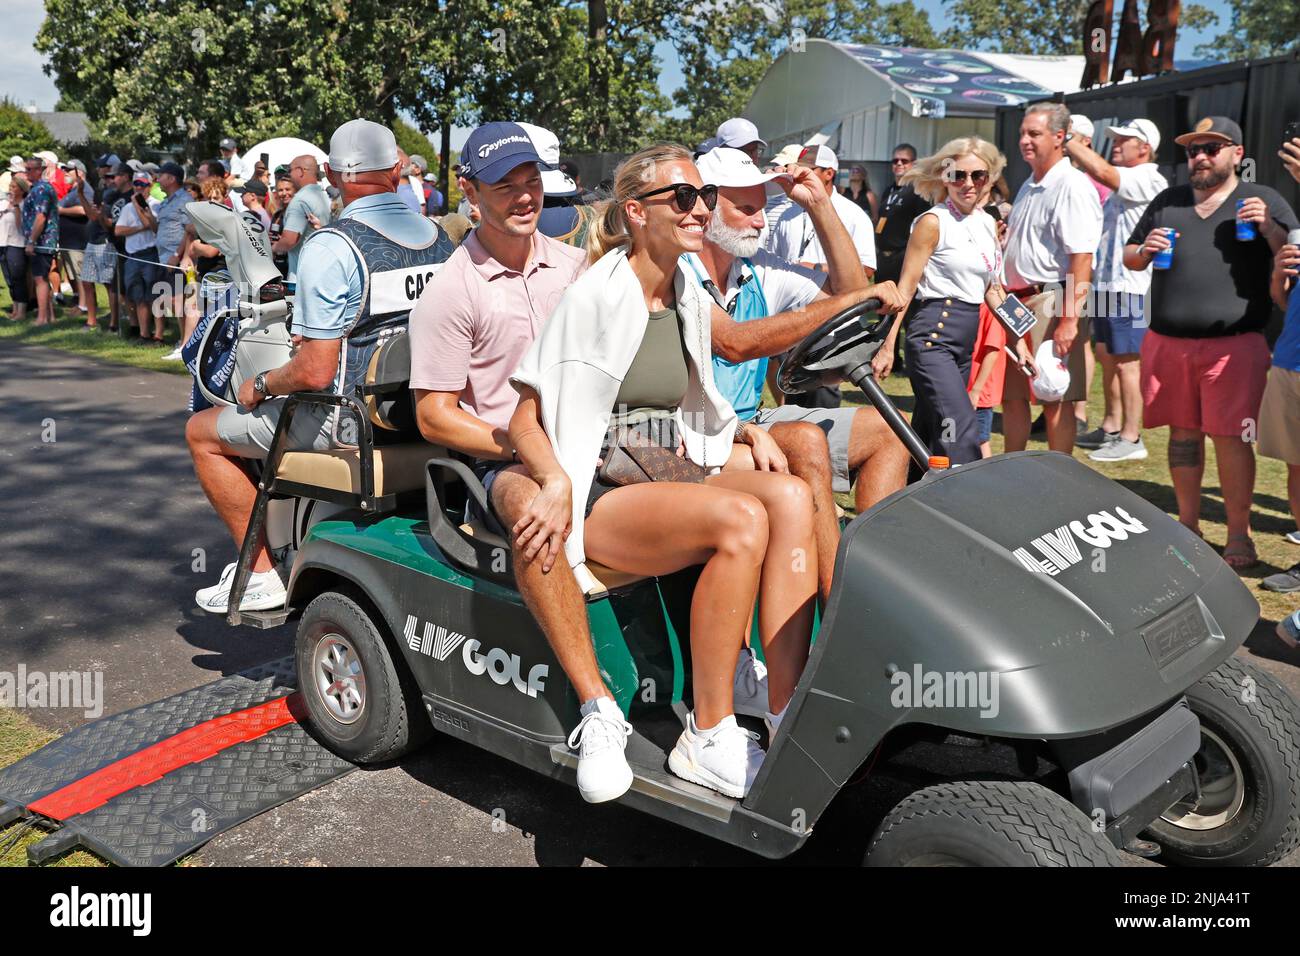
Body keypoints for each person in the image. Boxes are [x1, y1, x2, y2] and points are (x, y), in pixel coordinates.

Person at [509, 143, 821, 799]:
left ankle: (784, 706)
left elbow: (697, 392)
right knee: (742, 519)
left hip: (663, 465)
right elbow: (524, 419)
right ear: (636, 212)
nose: (701, 209)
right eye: (683, 197)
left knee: (792, 495)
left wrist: (742, 428)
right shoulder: (596, 296)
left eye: (704, 196)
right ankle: (707, 736)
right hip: (601, 488)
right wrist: (555, 481)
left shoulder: (684, 290)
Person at [409, 121, 638, 803]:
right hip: (502, 457)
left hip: (596, 439)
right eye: (504, 185)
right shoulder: (453, 290)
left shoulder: (574, 265)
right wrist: (524, 447)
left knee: (725, 488)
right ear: (470, 192)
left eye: (531, 180)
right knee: (535, 516)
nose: (523, 195)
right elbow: (434, 415)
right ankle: (597, 707)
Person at [186, 118, 456, 614]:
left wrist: (261, 384)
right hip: (425, 410)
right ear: (397, 169)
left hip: (349, 422)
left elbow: (314, 371)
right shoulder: (440, 239)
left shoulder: (332, 245)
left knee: (201, 432)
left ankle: (260, 574)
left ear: (331, 174)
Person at [687, 145, 909, 601]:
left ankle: (879, 582)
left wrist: (820, 206)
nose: (760, 222)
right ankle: (841, 606)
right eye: (745, 208)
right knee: (805, 441)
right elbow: (735, 342)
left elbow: (852, 291)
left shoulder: (758, 270)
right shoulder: (680, 269)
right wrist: (845, 302)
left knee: (888, 428)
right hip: (693, 431)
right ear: (706, 208)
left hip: (749, 421)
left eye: (761, 208)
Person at [1123, 115, 1299, 569]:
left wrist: (1270, 229)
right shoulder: (1169, 200)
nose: (1200, 157)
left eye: (1211, 148)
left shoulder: (1262, 199)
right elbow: (1130, 255)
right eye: (1193, 150)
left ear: (1237, 154)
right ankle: (1188, 525)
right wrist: (1143, 251)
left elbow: (1292, 256)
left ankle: (1239, 534)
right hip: (1169, 343)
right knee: (1182, 436)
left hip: (1234, 345)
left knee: (1231, 439)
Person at [876, 137, 1031, 467]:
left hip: (964, 343)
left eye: (978, 175)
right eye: (958, 175)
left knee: (933, 429)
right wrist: (888, 346)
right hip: (932, 337)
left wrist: (1019, 338)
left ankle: (912, 489)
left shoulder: (986, 223)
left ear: (989, 178)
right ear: (944, 178)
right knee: (959, 428)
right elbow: (905, 289)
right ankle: (968, 490)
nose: (968, 183)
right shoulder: (933, 223)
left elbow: (994, 290)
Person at [1001, 102, 1103, 454]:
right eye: (1022, 133)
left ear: (1060, 137)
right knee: (1013, 396)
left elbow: (1082, 257)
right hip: (1016, 301)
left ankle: (1061, 474)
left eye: (1034, 133)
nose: (1024, 141)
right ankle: (1011, 469)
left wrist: (1069, 320)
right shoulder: (1030, 183)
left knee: (1054, 395)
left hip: (1050, 300)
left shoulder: (1072, 185)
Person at [1065, 118, 1167, 462]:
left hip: (1131, 288)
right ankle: (1111, 426)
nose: (1117, 144)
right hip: (1109, 285)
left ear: (1145, 148)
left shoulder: (1148, 177)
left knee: (1127, 364)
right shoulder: (1126, 179)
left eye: (1125, 140)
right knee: (1109, 358)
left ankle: (1131, 437)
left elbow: (1104, 173)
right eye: (1116, 139)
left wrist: (1067, 139)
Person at [114, 170, 164, 344]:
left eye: (142, 184)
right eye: (136, 184)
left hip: (150, 254)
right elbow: (118, 230)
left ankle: (159, 335)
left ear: (149, 186)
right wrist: (139, 228)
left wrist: (138, 206)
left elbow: (150, 224)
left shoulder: (156, 205)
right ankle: (144, 334)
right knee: (138, 297)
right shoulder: (127, 208)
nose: (139, 188)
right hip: (133, 256)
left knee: (154, 296)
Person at [154, 161, 194, 357]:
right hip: (163, 257)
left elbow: (189, 231)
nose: (157, 179)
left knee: (178, 300)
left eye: (161, 175)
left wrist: (178, 255)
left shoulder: (185, 200)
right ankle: (183, 340)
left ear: (171, 179)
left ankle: (186, 343)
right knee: (172, 301)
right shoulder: (166, 201)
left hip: (176, 258)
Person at [271, 155, 331, 283]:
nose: (289, 175)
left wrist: (272, 249)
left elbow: (289, 240)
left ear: (300, 171)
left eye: (290, 170)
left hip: (301, 278)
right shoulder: (324, 196)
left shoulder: (300, 200)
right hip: (322, 273)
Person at [21, 155, 59, 326]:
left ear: (39, 170)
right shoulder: (36, 188)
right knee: (41, 277)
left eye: (29, 169)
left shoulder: (42, 189)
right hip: (40, 241)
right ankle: (50, 316)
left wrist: (32, 241)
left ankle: (42, 318)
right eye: (26, 169)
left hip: (42, 241)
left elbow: (41, 217)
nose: (26, 172)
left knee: (40, 279)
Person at [56, 159, 93, 323]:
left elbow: (84, 210)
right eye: (64, 170)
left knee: (81, 275)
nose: (65, 173)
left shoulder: (85, 190)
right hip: (70, 241)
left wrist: (61, 210)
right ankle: (81, 303)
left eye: (69, 170)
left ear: (80, 173)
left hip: (79, 240)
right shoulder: (74, 190)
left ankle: (85, 306)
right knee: (76, 275)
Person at [2, 174, 30, 320]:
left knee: (18, 278)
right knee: (9, 279)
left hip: (17, 244)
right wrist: (7, 206)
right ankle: (15, 309)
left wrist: (15, 206)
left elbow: (20, 225)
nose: (11, 189)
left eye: (14, 187)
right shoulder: (5, 203)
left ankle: (22, 311)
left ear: (21, 190)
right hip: (3, 243)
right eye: (10, 187)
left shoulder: (25, 204)